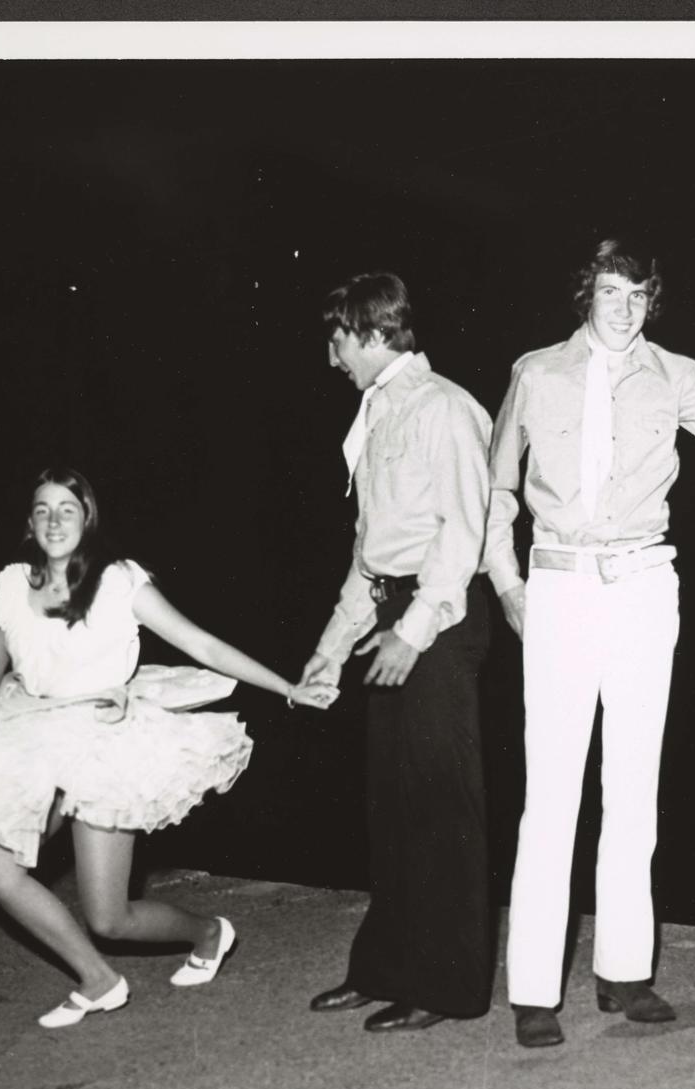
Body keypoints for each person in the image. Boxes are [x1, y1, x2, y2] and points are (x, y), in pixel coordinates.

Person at [486, 237, 695, 1048]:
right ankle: (535, 989)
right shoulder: (536, 373)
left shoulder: (679, 376)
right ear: (586, 295)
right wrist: (506, 585)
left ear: (651, 301)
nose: (623, 307)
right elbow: (497, 487)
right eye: (610, 290)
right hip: (560, 584)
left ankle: (624, 974)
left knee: (634, 787)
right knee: (553, 792)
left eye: (637, 295)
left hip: (643, 584)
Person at [0, 467, 335, 1029]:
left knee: (110, 917)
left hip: (106, 746)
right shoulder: (12, 586)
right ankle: (99, 980)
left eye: (66, 509)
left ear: (87, 519)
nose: (54, 520)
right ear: (29, 522)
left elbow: (200, 642)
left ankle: (209, 932)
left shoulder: (120, 581)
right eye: (43, 509)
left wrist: (287, 688)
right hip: (37, 738)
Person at [299, 271, 495, 1034]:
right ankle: (385, 969)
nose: (331, 356)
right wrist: (330, 649)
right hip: (394, 607)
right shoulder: (379, 414)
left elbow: (462, 531)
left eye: (339, 339)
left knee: (443, 808)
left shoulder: (443, 408)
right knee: (393, 809)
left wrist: (414, 634)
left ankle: (445, 988)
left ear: (377, 333)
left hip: (437, 619)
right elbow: (369, 554)